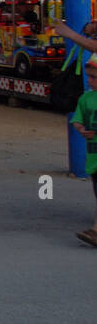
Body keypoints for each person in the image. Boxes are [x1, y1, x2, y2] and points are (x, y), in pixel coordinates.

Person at [65, 54, 97, 247]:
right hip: (93, 158)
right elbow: (77, 119)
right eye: (89, 76)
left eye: (94, 77)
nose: (90, 81)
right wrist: (81, 129)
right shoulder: (86, 98)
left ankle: (95, 230)